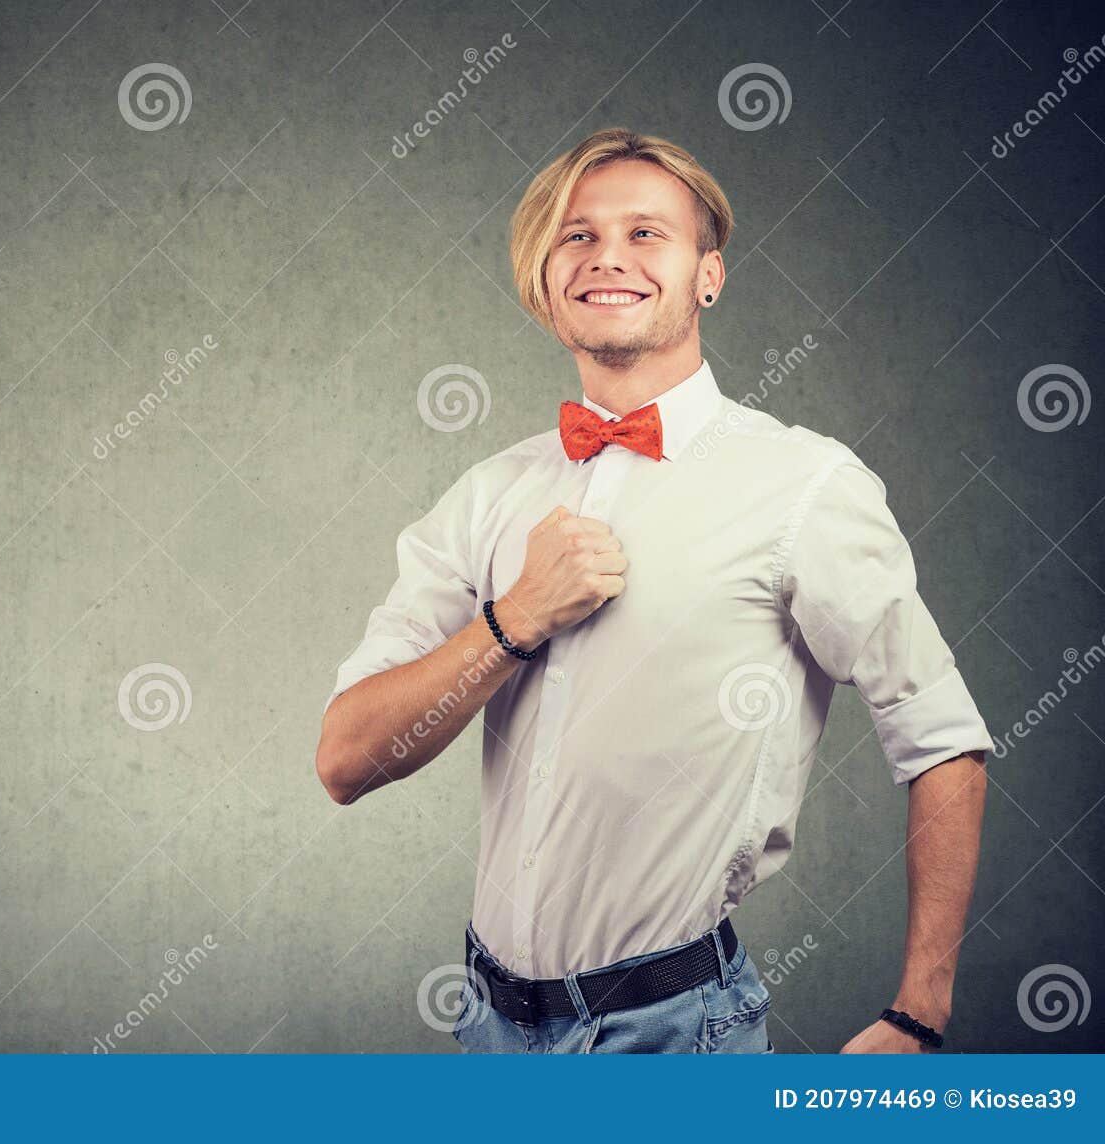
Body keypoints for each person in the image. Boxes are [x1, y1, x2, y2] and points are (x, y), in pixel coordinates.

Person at [315, 127, 991, 1054]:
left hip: (675, 1033)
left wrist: (920, 1011)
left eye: (646, 233)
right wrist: (515, 620)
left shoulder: (805, 486)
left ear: (707, 275)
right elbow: (347, 759)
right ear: (545, 280)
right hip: (486, 1026)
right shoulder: (486, 497)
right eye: (577, 235)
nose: (608, 258)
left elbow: (942, 738)